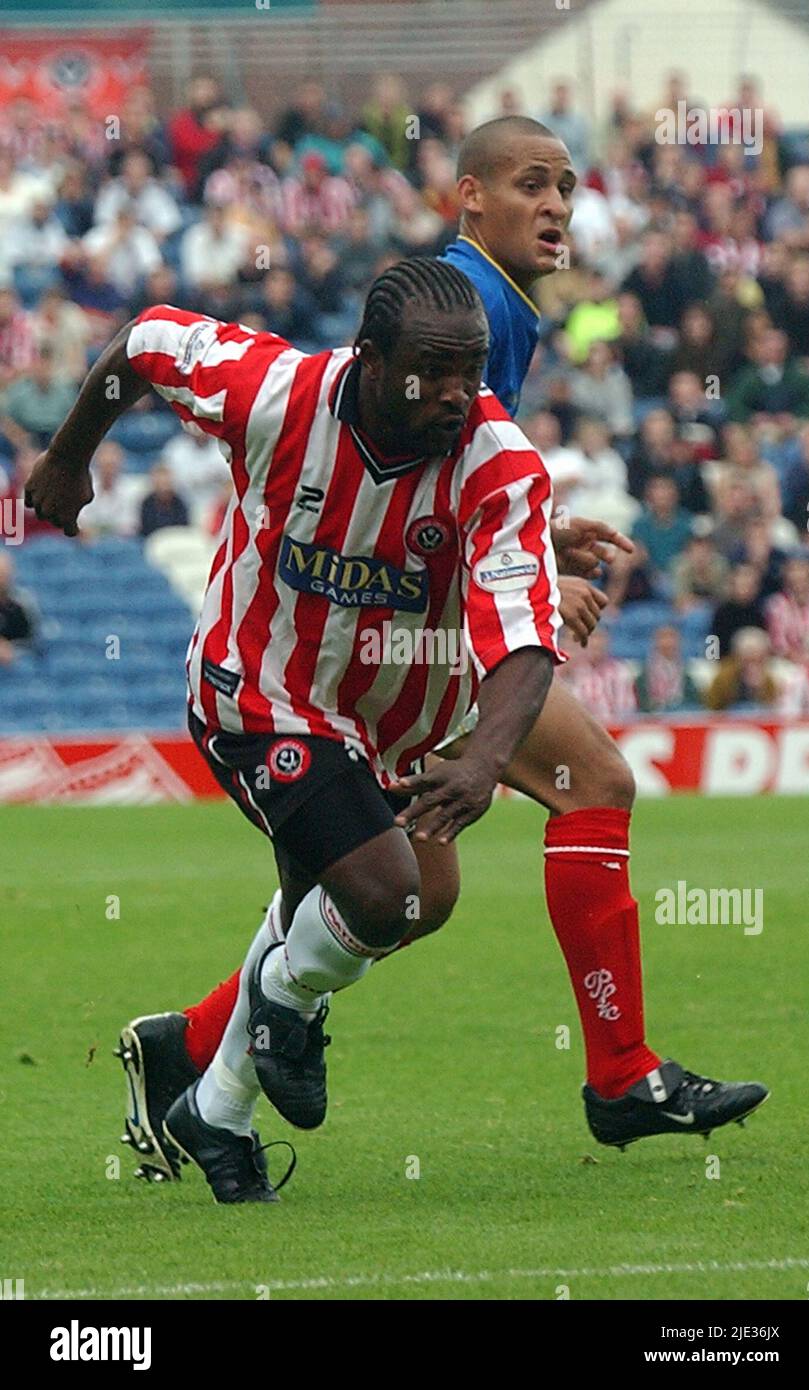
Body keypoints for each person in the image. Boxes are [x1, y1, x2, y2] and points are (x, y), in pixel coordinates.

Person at [29, 120, 768, 1189]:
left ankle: (198, 1057)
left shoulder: (494, 321)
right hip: (353, 648)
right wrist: (66, 458)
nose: (556, 206)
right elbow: (412, 461)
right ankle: (614, 1071)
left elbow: (467, 475)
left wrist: (524, 547)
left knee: (389, 884)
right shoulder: (463, 305)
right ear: (469, 199)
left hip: (405, 634)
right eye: (530, 186)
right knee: (506, 827)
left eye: (567, 187)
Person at [26, 259, 565, 1201]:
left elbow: (525, 639)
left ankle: (210, 1103)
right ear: (368, 360)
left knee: (416, 899)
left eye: (469, 371)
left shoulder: (501, 464)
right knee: (386, 893)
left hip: (390, 727)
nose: (454, 394)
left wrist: (483, 760)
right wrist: (69, 455)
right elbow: (147, 340)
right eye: (430, 373)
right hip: (257, 691)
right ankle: (281, 1003)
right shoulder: (275, 392)